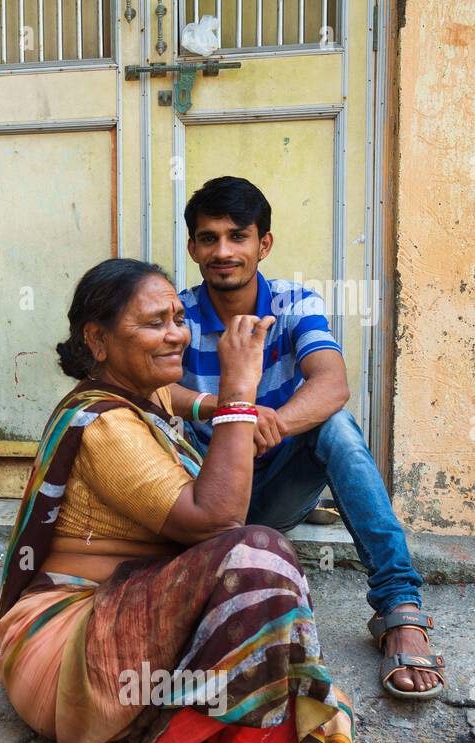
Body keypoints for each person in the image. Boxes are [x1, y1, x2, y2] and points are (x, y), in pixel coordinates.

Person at [0, 258, 358, 743]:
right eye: (154, 324)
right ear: (97, 340)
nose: (178, 335)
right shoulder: (107, 426)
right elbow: (218, 522)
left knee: (270, 634)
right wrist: (239, 390)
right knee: (259, 557)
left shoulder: (145, 395)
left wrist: (216, 406)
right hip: (74, 654)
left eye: (176, 318)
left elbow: (181, 400)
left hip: (123, 641)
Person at [171, 176, 443, 700]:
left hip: (272, 484)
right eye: (208, 238)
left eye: (238, 236)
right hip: (204, 497)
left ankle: (399, 609)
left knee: (336, 426)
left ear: (263, 244)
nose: (222, 251)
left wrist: (271, 424)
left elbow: (332, 383)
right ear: (193, 247)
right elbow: (159, 392)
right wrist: (228, 414)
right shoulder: (179, 316)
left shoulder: (295, 301)